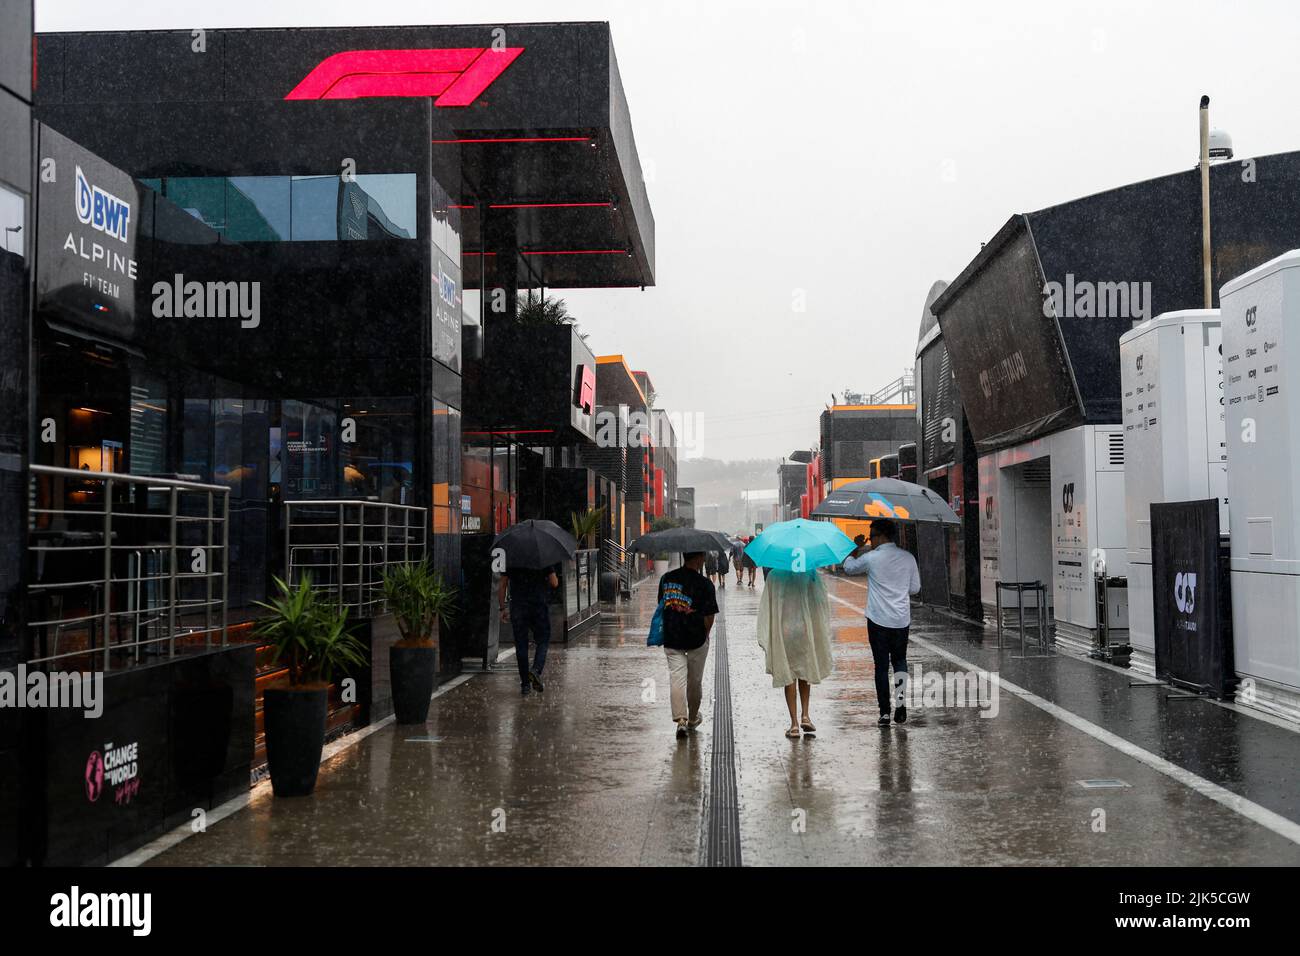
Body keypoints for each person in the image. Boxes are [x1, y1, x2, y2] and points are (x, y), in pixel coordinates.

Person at [842, 519, 921, 726]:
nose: (870, 541)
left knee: (881, 666)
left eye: (871, 536)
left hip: (878, 620)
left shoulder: (871, 558)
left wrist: (854, 547)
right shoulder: (908, 558)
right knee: (900, 662)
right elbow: (915, 589)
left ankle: (885, 712)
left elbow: (848, 568)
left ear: (881, 535)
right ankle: (901, 706)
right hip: (901, 620)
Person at [757, 568, 833, 738]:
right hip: (805, 628)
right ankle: (805, 715)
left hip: (784, 630)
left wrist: (765, 634)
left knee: (788, 673)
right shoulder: (809, 573)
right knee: (805, 669)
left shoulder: (774, 576)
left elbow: (767, 606)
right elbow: (821, 600)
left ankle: (794, 725)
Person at [658, 551, 719, 738]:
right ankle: (692, 717)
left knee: (677, 678)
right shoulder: (705, 584)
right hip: (696, 639)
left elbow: (662, 605)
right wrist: (705, 634)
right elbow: (710, 616)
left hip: (672, 637)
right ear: (700, 558)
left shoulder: (667, 579)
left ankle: (681, 720)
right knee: (695, 682)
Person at [499, 563, 560, 696]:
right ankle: (536, 670)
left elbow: (502, 584)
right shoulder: (542, 558)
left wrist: (502, 608)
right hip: (538, 605)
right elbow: (554, 582)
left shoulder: (512, 559)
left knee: (521, 645)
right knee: (543, 639)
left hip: (518, 607)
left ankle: (525, 685)